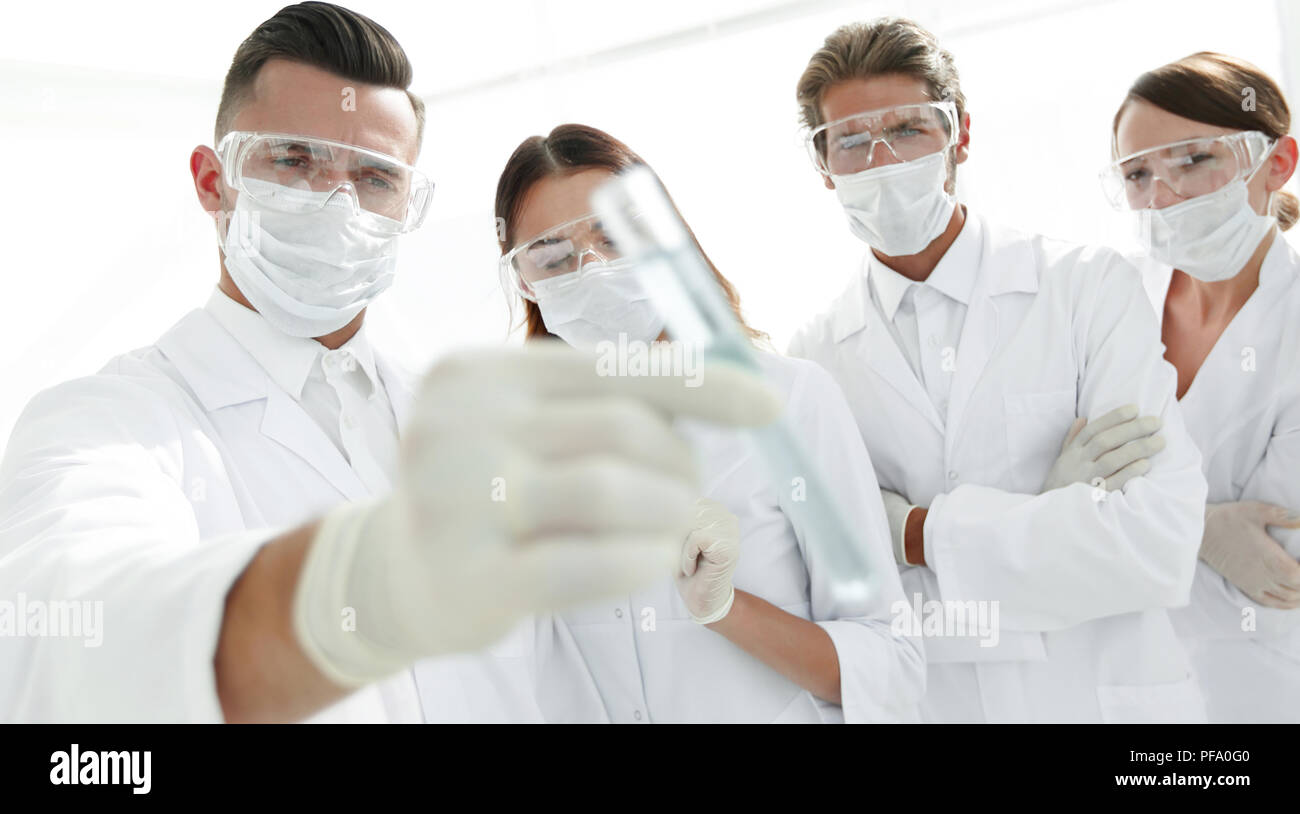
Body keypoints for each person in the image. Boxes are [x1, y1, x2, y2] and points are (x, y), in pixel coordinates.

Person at [0, 2, 779, 723]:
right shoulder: (107, 423)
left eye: (375, 177)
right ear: (214, 181)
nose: (338, 201)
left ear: (406, 205)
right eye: (295, 160)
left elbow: (570, 684)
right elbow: (75, 638)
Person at [787, 17, 1209, 722]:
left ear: (961, 135)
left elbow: (1157, 544)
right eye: (853, 141)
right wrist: (1045, 520)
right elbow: (841, 594)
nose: (884, 159)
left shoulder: (1086, 288)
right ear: (824, 167)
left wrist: (912, 536)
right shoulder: (812, 359)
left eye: (911, 130)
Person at [473, 123, 924, 723]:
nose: (593, 268)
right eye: (554, 257)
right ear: (527, 284)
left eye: (616, 237)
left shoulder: (789, 401)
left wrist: (725, 607)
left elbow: (891, 668)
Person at [1106, 52, 1300, 722]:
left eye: (1194, 160)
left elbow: (1280, 573)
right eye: (1138, 174)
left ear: (1276, 163)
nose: (1165, 196)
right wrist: (1200, 534)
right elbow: (1040, 505)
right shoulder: (1109, 302)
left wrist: (1121, 527)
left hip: (1260, 694)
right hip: (1115, 692)